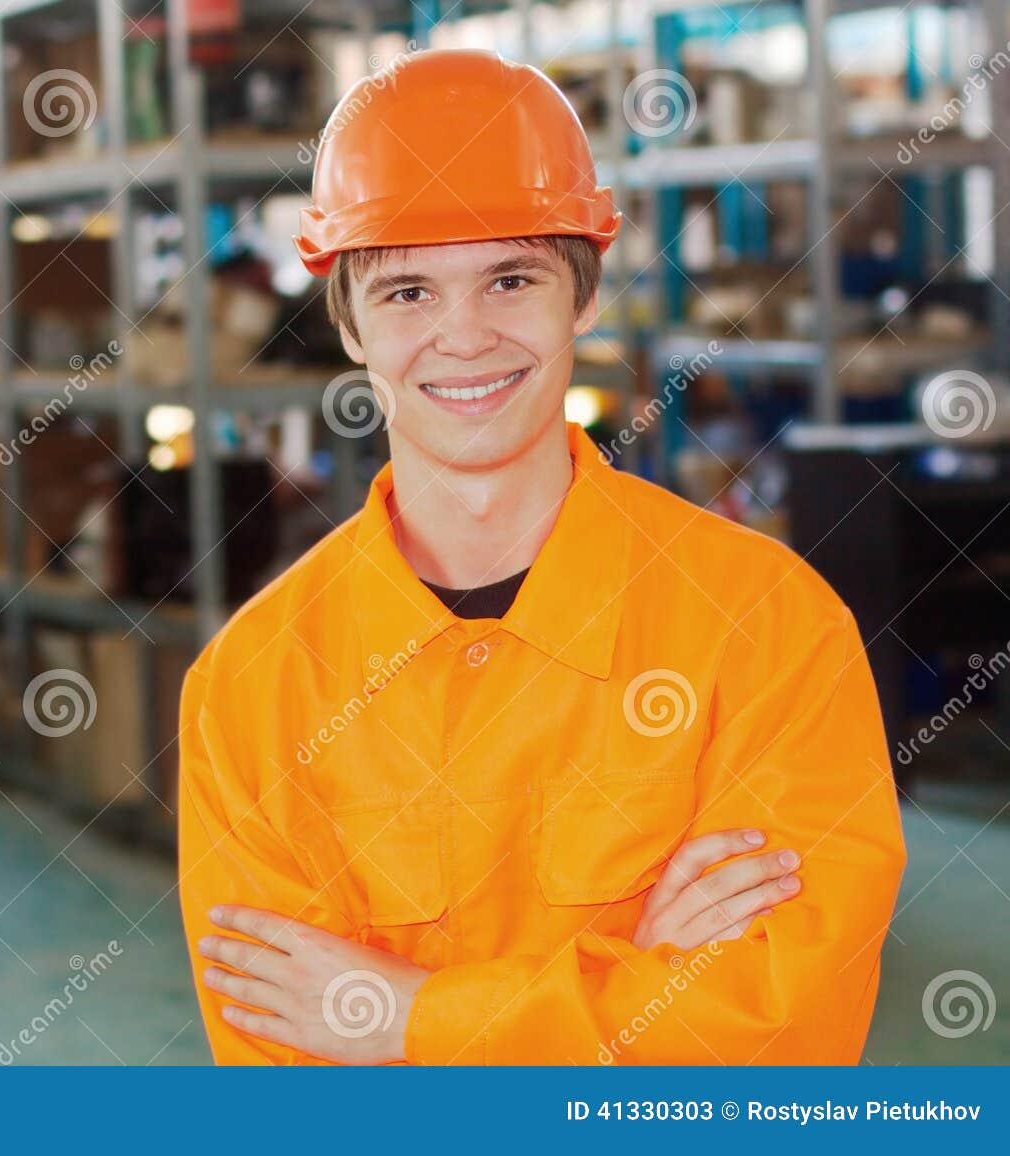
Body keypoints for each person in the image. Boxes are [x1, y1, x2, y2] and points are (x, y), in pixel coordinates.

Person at [176, 48, 906, 1065]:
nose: (465, 336)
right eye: (407, 292)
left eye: (511, 279)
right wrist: (636, 987)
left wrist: (409, 1019)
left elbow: (784, 1032)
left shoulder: (766, 625)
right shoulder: (254, 685)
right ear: (348, 324)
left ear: (585, 297)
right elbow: (289, 1081)